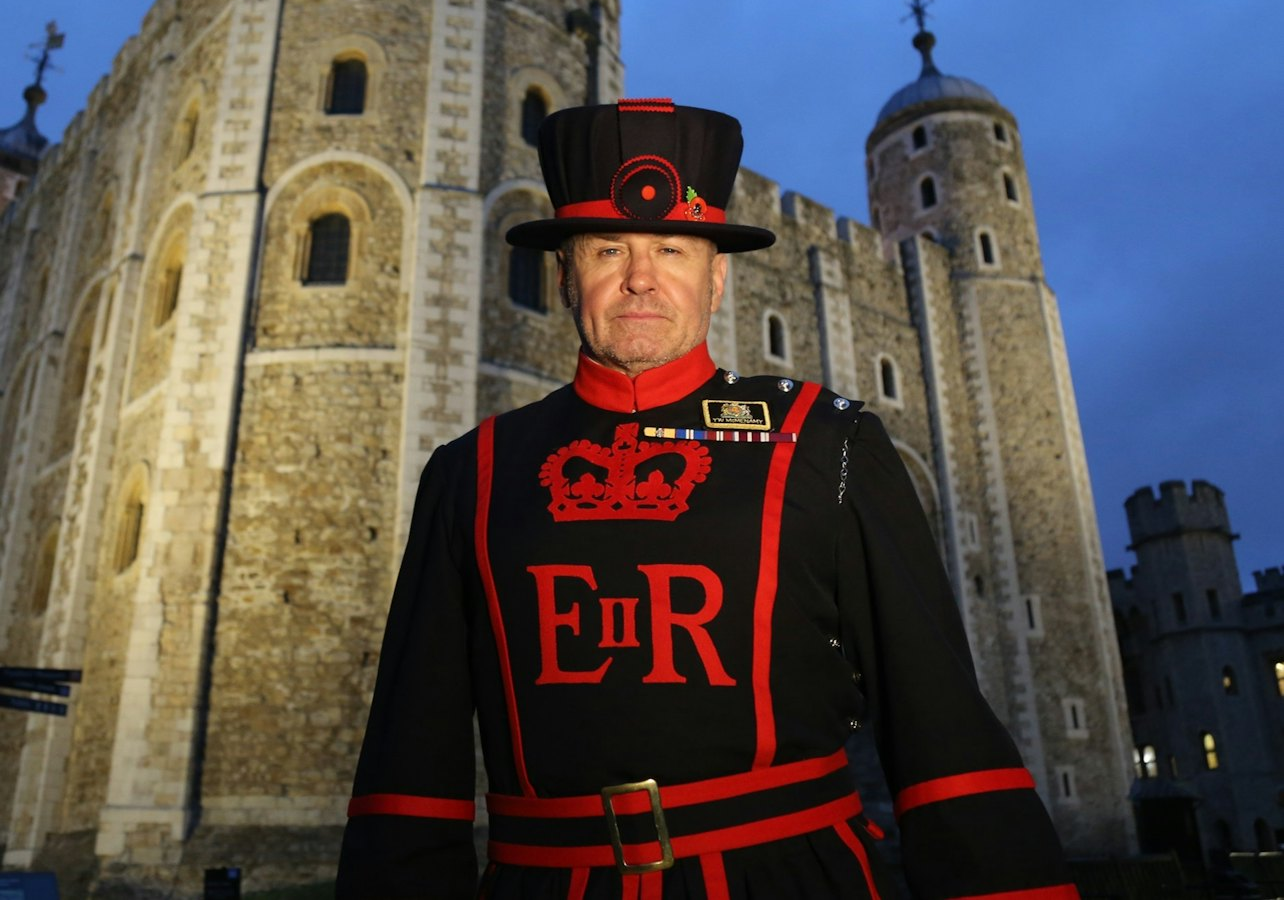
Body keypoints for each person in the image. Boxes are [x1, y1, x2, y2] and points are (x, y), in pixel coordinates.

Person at [336, 98, 1077, 899]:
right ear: (564, 277)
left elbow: (941, 728)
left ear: (717, 278)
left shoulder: (827, 445)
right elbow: (410, 773)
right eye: (607, 248)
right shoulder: (470, 474)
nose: (640, 277)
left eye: (672, 249)